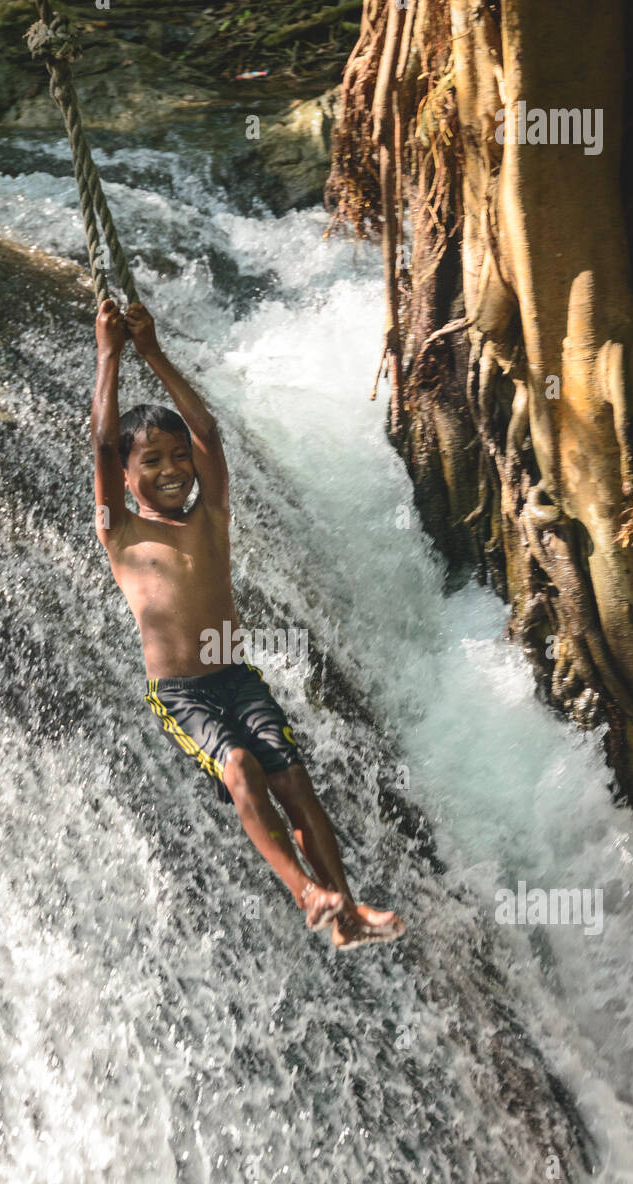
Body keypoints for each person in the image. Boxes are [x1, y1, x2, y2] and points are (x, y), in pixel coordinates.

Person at [92, 296, 405, 950]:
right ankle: (306, 892)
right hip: (181, 694)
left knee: (293, 780)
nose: (172, 469)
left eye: (175, 458)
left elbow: (208, 435)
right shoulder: (119, 529)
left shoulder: (210, 516)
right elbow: (99, 440)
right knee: (238, 766)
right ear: (123, 479)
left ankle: (345, 911)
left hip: (237, 677)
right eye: (150, 462)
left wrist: (154, 352)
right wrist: (110, 357)